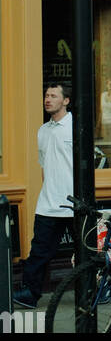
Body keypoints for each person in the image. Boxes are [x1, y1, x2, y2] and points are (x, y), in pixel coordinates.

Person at [14, 83, 74, 309]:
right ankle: (30, 293)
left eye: (53, 96)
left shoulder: (75, 127)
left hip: (74, 203)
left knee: (86, 251)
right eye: (46, 96)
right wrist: (49, 190)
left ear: (65, 101)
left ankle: (101, 287)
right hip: (48, 204)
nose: (47, 99)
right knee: (39, 251)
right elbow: (43, 167)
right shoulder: (42, 131)